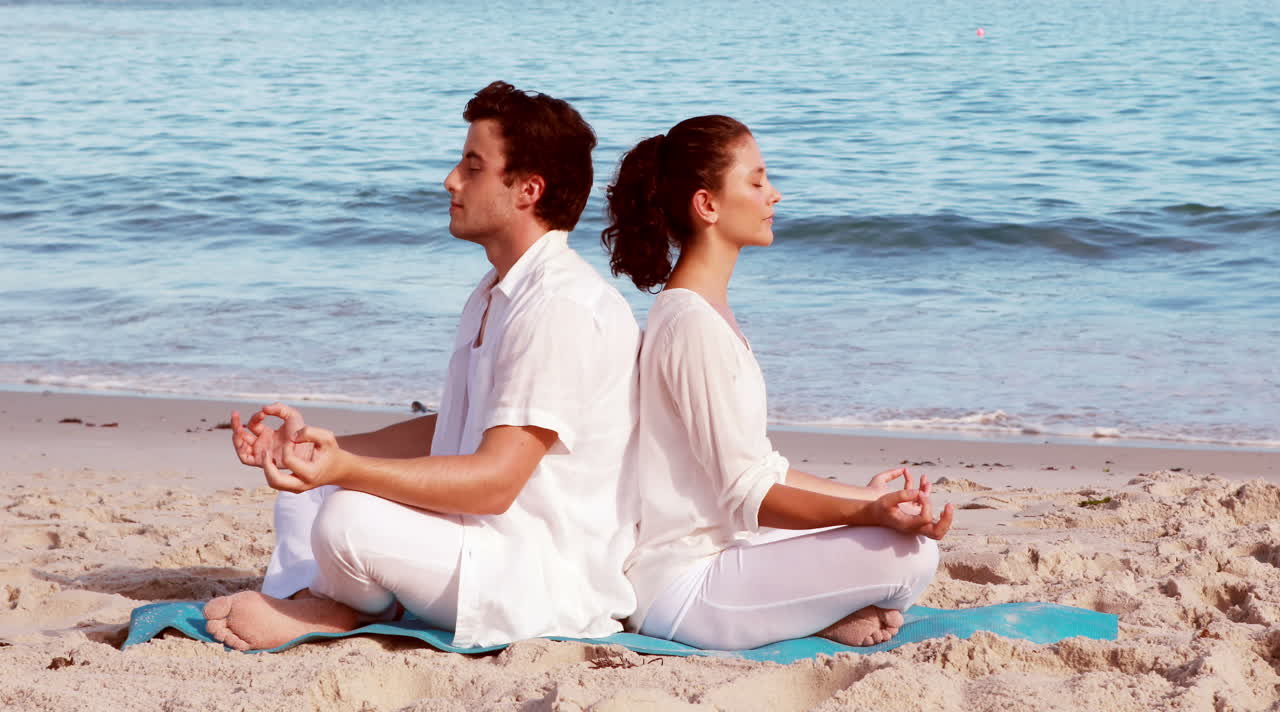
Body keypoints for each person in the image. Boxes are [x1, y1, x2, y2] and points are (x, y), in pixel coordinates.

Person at [204, 81, 641, 651]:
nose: (450, 180)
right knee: (302, 491)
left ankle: (337, 610)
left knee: (348, 516)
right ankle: (320, 601)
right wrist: (318, 452)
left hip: (539, 575)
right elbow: (452, 429)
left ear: (527, 190)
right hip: (478, 540)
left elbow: (494, 485)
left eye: (472, 166)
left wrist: (347, 472)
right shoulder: (496, 291)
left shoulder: (559, 305)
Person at [601, 115, 954, 650]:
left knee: (894, 532)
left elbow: (761, 468)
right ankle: (819, 616)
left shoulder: (703, 311)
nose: (775, 195)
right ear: (708, 205)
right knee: (911, 556)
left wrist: (867, 499)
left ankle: (823, 613)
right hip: (681, 586)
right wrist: (863, 513)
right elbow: (751, 493)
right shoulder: (692, 326)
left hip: (728, 550)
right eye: (757, 181)